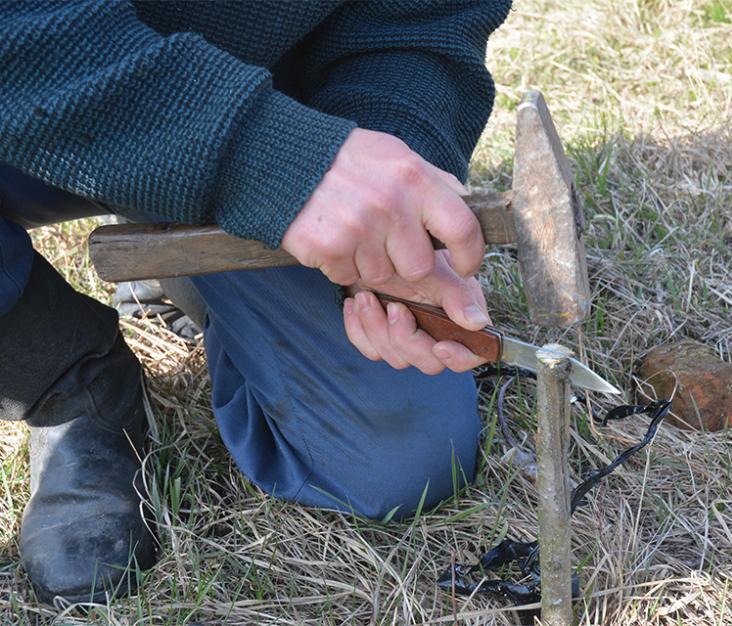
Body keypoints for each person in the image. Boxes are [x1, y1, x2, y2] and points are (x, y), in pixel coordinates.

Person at [0, 0, 512, 604]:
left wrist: (380, 173)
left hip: (266, 86)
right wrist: (261, 157)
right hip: (27, 84)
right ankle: (63, 378)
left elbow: (423, 21)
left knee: (400, 462)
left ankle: (181, 256)